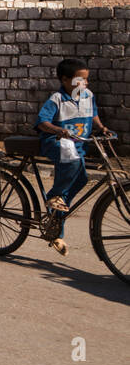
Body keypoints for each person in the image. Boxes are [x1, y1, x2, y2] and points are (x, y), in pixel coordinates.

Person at [35, 57, 115, 256]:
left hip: (77, 144)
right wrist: (58, 130)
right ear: (65, 80)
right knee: (69, 159)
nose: (84, 84)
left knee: (82, 179)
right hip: (56, 143)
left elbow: (93, 114)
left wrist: (102, 127)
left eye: (86, 80)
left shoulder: (87, 95)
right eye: (80, 80)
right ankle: (53, 195)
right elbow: (42, 122)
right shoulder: (57, 99)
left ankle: (56, 217)